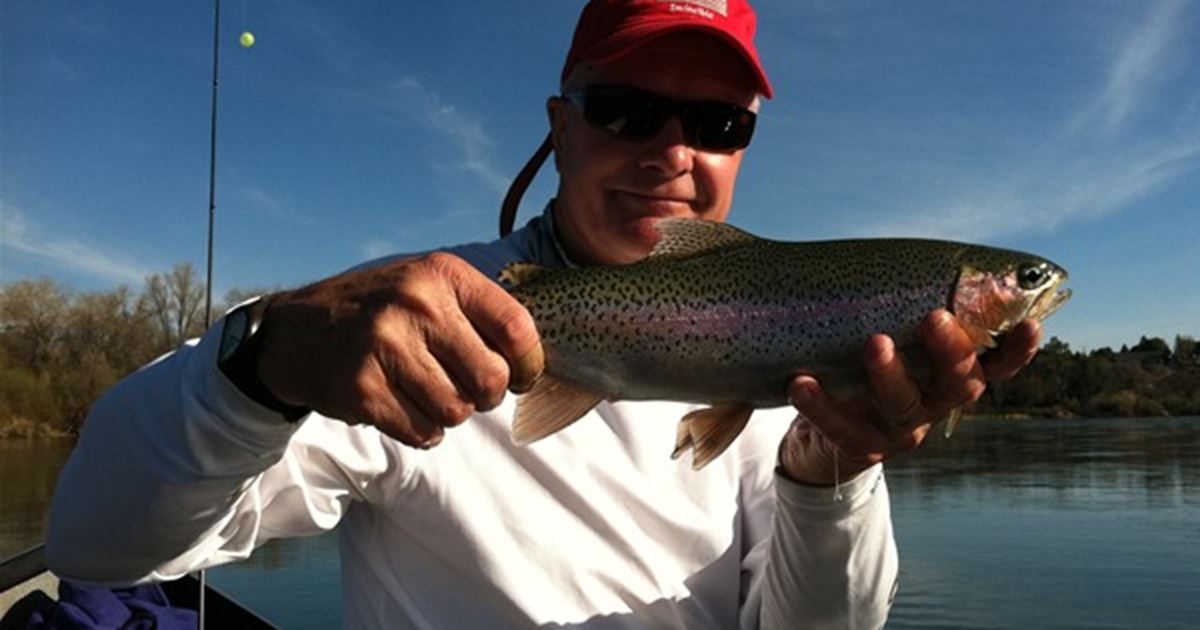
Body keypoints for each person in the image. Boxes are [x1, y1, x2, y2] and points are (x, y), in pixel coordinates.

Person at [45, 1, 1042, 628]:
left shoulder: (810, 359)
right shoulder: (410, 323)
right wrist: (258, 365)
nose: (669, 151)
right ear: (560, 129)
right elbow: (98, 547)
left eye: (715, 125)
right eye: (623, 110)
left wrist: (831, 473)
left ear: (743, 149)